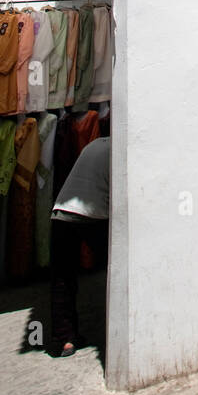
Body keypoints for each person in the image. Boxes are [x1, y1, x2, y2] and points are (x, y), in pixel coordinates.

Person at [49, 134, 110, 357]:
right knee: (114, 270)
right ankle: (117, 328)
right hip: (91, 215)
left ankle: (65, 339)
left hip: (61, 213)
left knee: (62, 280)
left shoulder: (94, 144)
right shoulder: (121, 150)